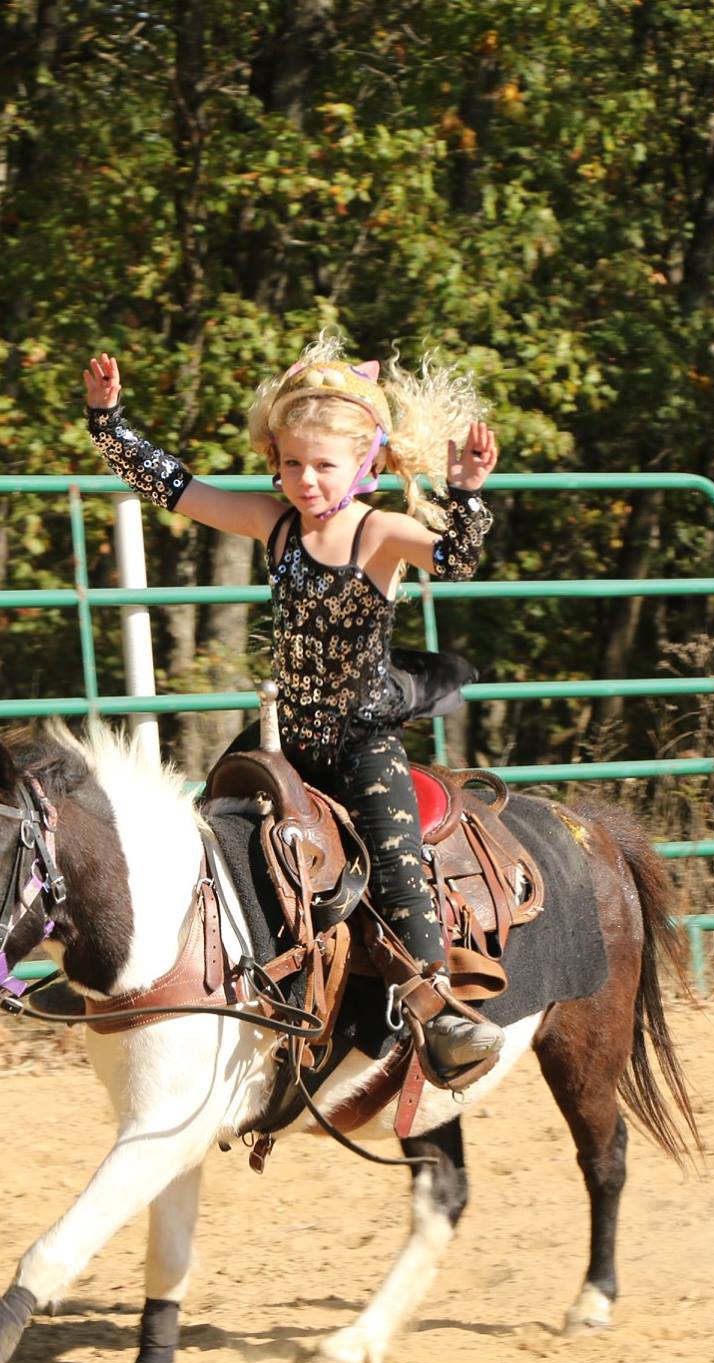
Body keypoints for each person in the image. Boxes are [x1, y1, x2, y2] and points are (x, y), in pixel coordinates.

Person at [82, 333, 503, 1077]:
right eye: (290, 463)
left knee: (399, 861)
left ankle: (437, 1007)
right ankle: (209, 971)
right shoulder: (274, 526)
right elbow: (174, 488)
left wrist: (466, 493)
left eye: (322, 465)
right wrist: (110, 423)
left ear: (363, 465)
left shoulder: (380, 533)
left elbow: (455, 558)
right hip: (285, 738)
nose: (304, 480)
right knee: (206, 824)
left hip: (361, 738)